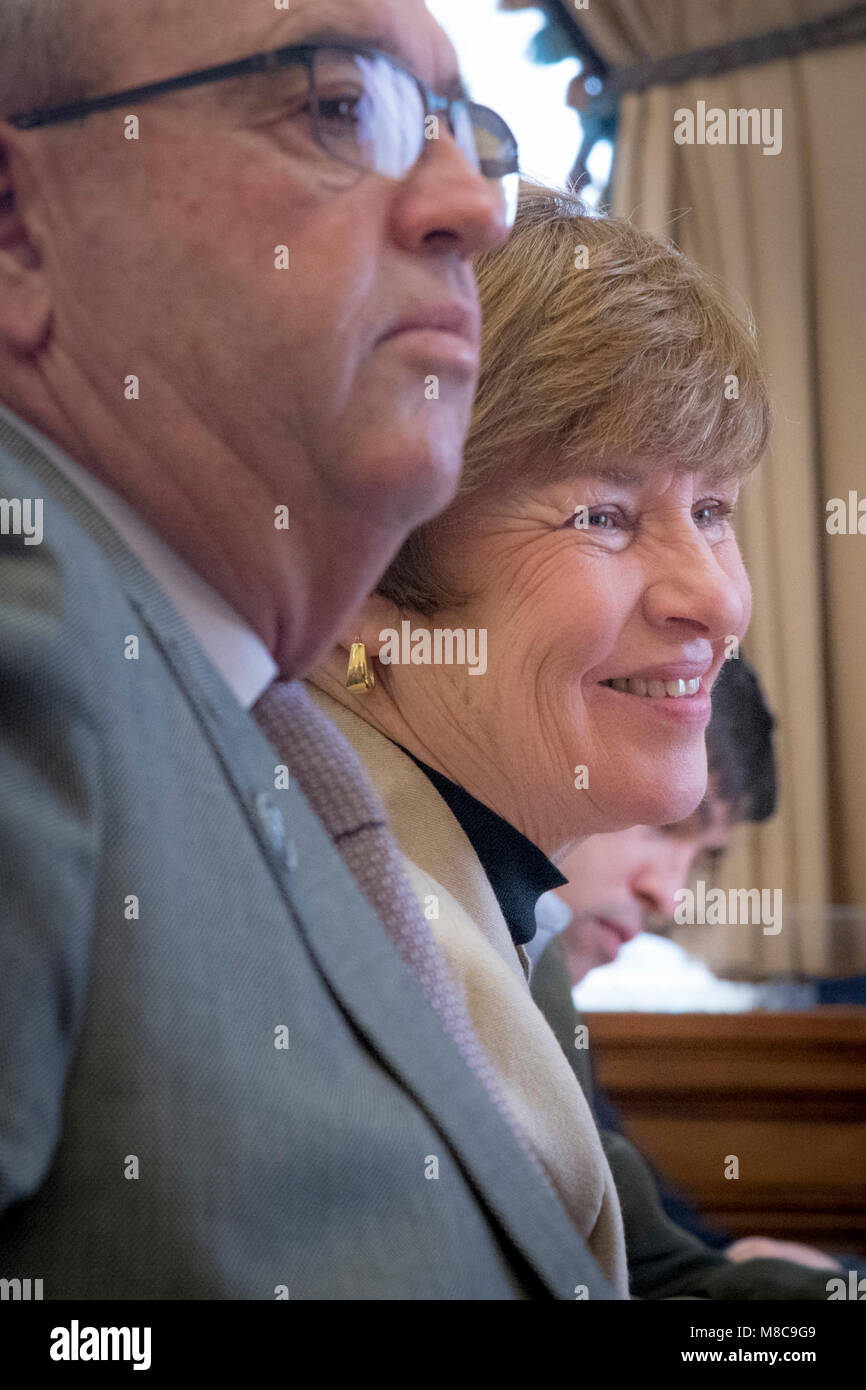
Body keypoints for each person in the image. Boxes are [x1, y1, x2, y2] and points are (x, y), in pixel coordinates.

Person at [0, 0, 602, 1303]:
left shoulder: (218, 688)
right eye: (340, 105)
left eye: (467, 130)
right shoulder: (27, 620)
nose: (475, 207)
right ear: (15, 226)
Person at [308, 180, 836, 1297]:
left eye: (712, 510)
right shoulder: (319, 938)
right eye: (602, 514)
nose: (715, 601)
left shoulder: (486, 898)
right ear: (367, 566)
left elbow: (656, 1279)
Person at [530, 655, 845, 1279]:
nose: (669, 899)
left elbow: (663, 1255)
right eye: (660, 823)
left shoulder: (550, 997)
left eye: (699, 861)